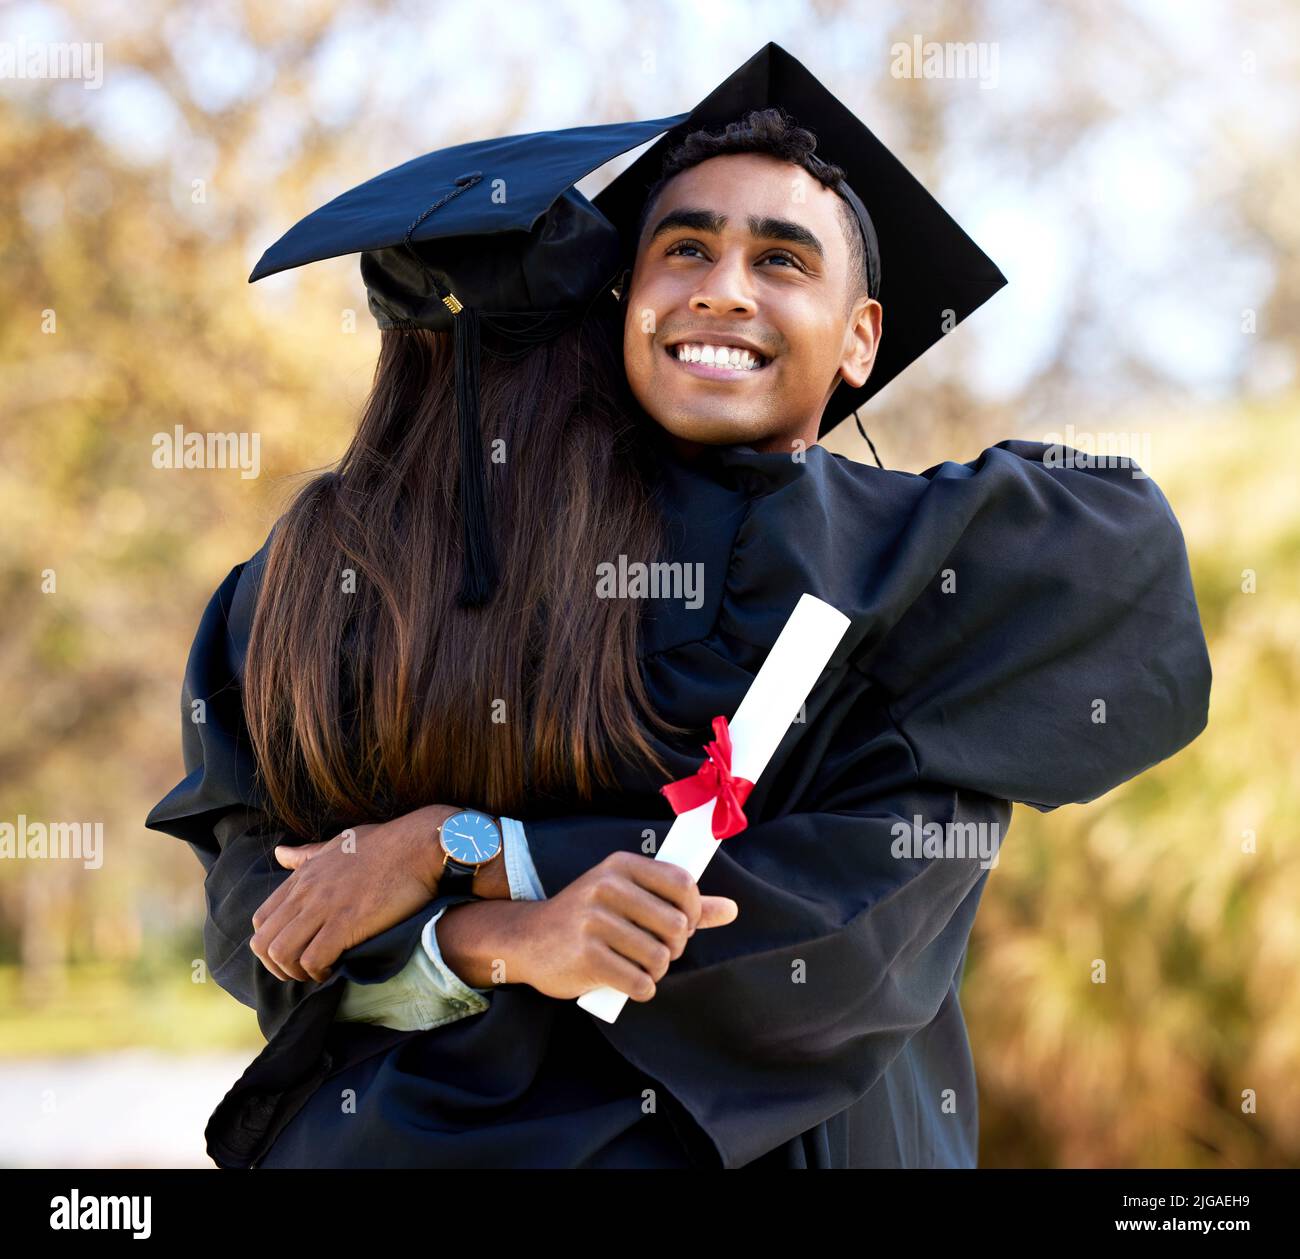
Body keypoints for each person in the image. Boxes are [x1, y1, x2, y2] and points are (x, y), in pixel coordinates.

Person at [146, 44, 1212, 1169]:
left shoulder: (893, 579)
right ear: (613, 313)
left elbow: (273, 936)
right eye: (685, 248)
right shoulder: (865, 582)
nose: (721, 286)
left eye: (780, 258)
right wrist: (502, 922)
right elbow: (807, 935)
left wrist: (463, 856)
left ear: (864, 337)